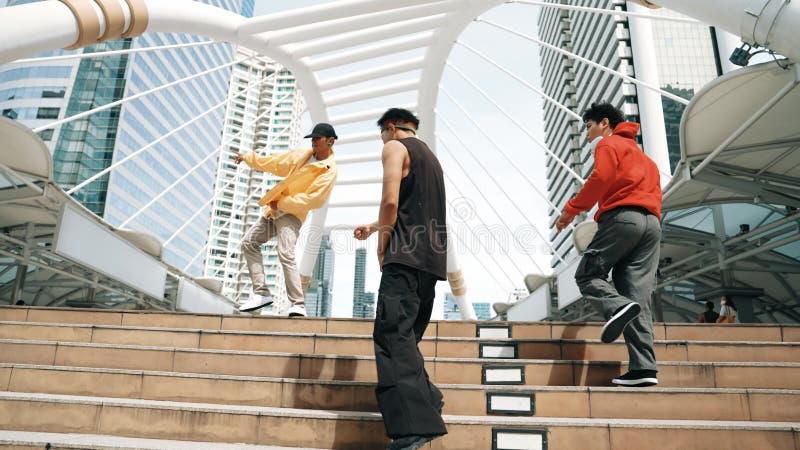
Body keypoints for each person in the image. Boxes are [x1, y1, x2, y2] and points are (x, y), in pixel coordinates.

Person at [353, 108, 447, 450]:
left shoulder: (395, 147)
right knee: (406, 338)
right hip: (430, 262)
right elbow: (411, 208)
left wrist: (382, 244)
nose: (383, 141)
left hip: (403, 258)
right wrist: (375, 225)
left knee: (391, 338)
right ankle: (430, 398)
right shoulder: (431, 160)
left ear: (390, 128)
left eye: (382, 134)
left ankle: (412, 429)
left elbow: (391, 200)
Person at [556, 102, 662, 387]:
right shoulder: (645, 158)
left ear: (604, 123)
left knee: (588, 274)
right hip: (652, 224)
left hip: (622, 218)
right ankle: (644, 369)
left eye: (589, 126)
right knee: (637, 297)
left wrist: (570, 210)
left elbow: (600, 177)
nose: (587, 133)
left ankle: (615, 307)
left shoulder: (608, 144)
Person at [233, 123, 338, 317]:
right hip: (273, 211)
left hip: (291, 214)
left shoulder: (329, 170)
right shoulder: (302, 156)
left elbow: (314, 200)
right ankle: (261, 293)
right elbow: (275, 162)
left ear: (330, 141)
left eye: (317, 138)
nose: (313, 141)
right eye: (312, 138)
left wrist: (282, 204)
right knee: (249, 243)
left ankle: (298, 304)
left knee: (285, 253)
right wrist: (248, 158)